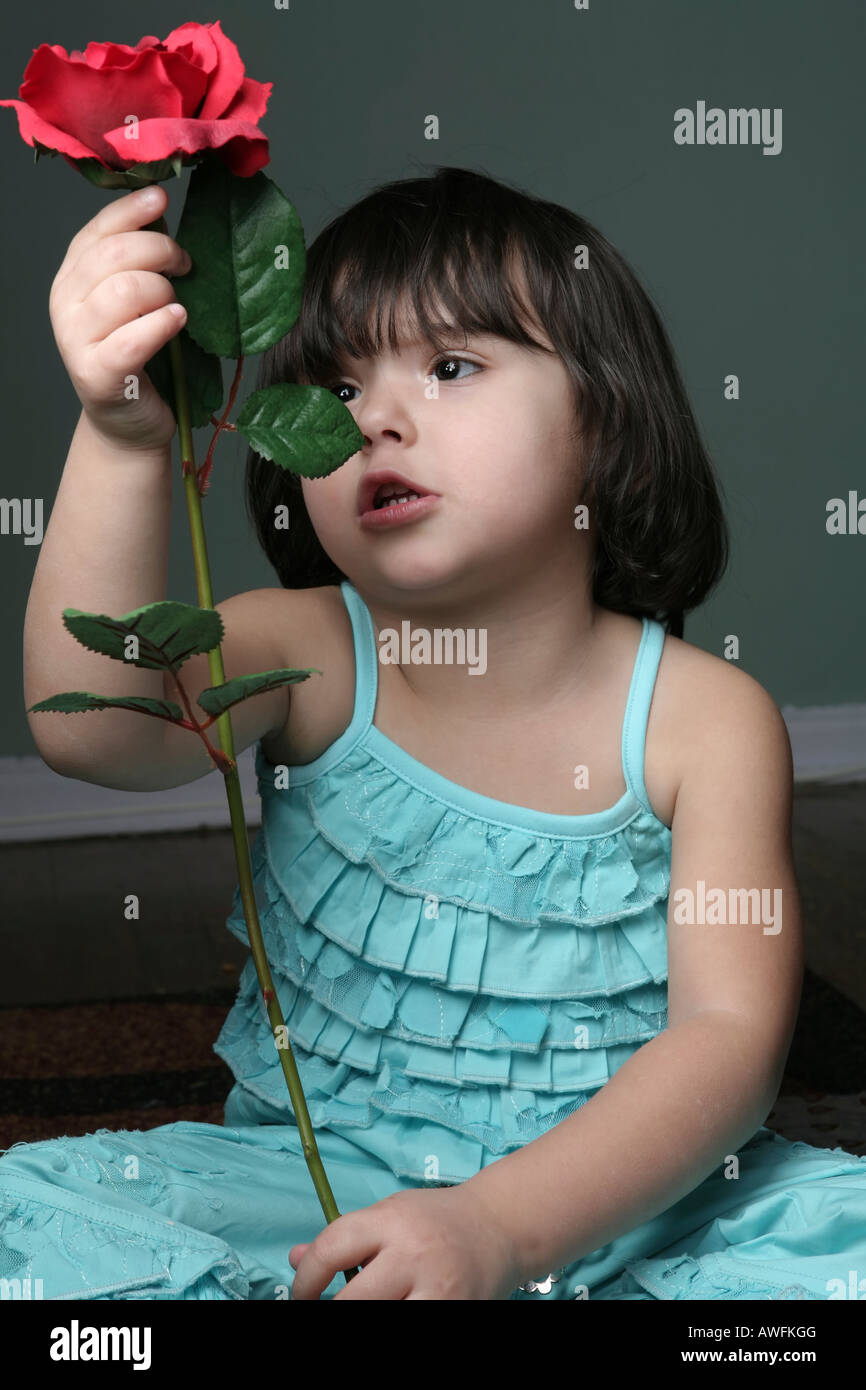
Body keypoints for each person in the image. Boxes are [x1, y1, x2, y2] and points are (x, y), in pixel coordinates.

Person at [3, 166, 865, 1301]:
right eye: (335, 389)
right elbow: (94, 728)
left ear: (606, 428)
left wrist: (500, 1229)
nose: (373, 420)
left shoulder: (704, 723)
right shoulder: (303, 650)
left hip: (639, 1211)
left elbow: (727, 1038)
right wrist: (119, 435)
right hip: (309, 1202)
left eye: (450, 367)